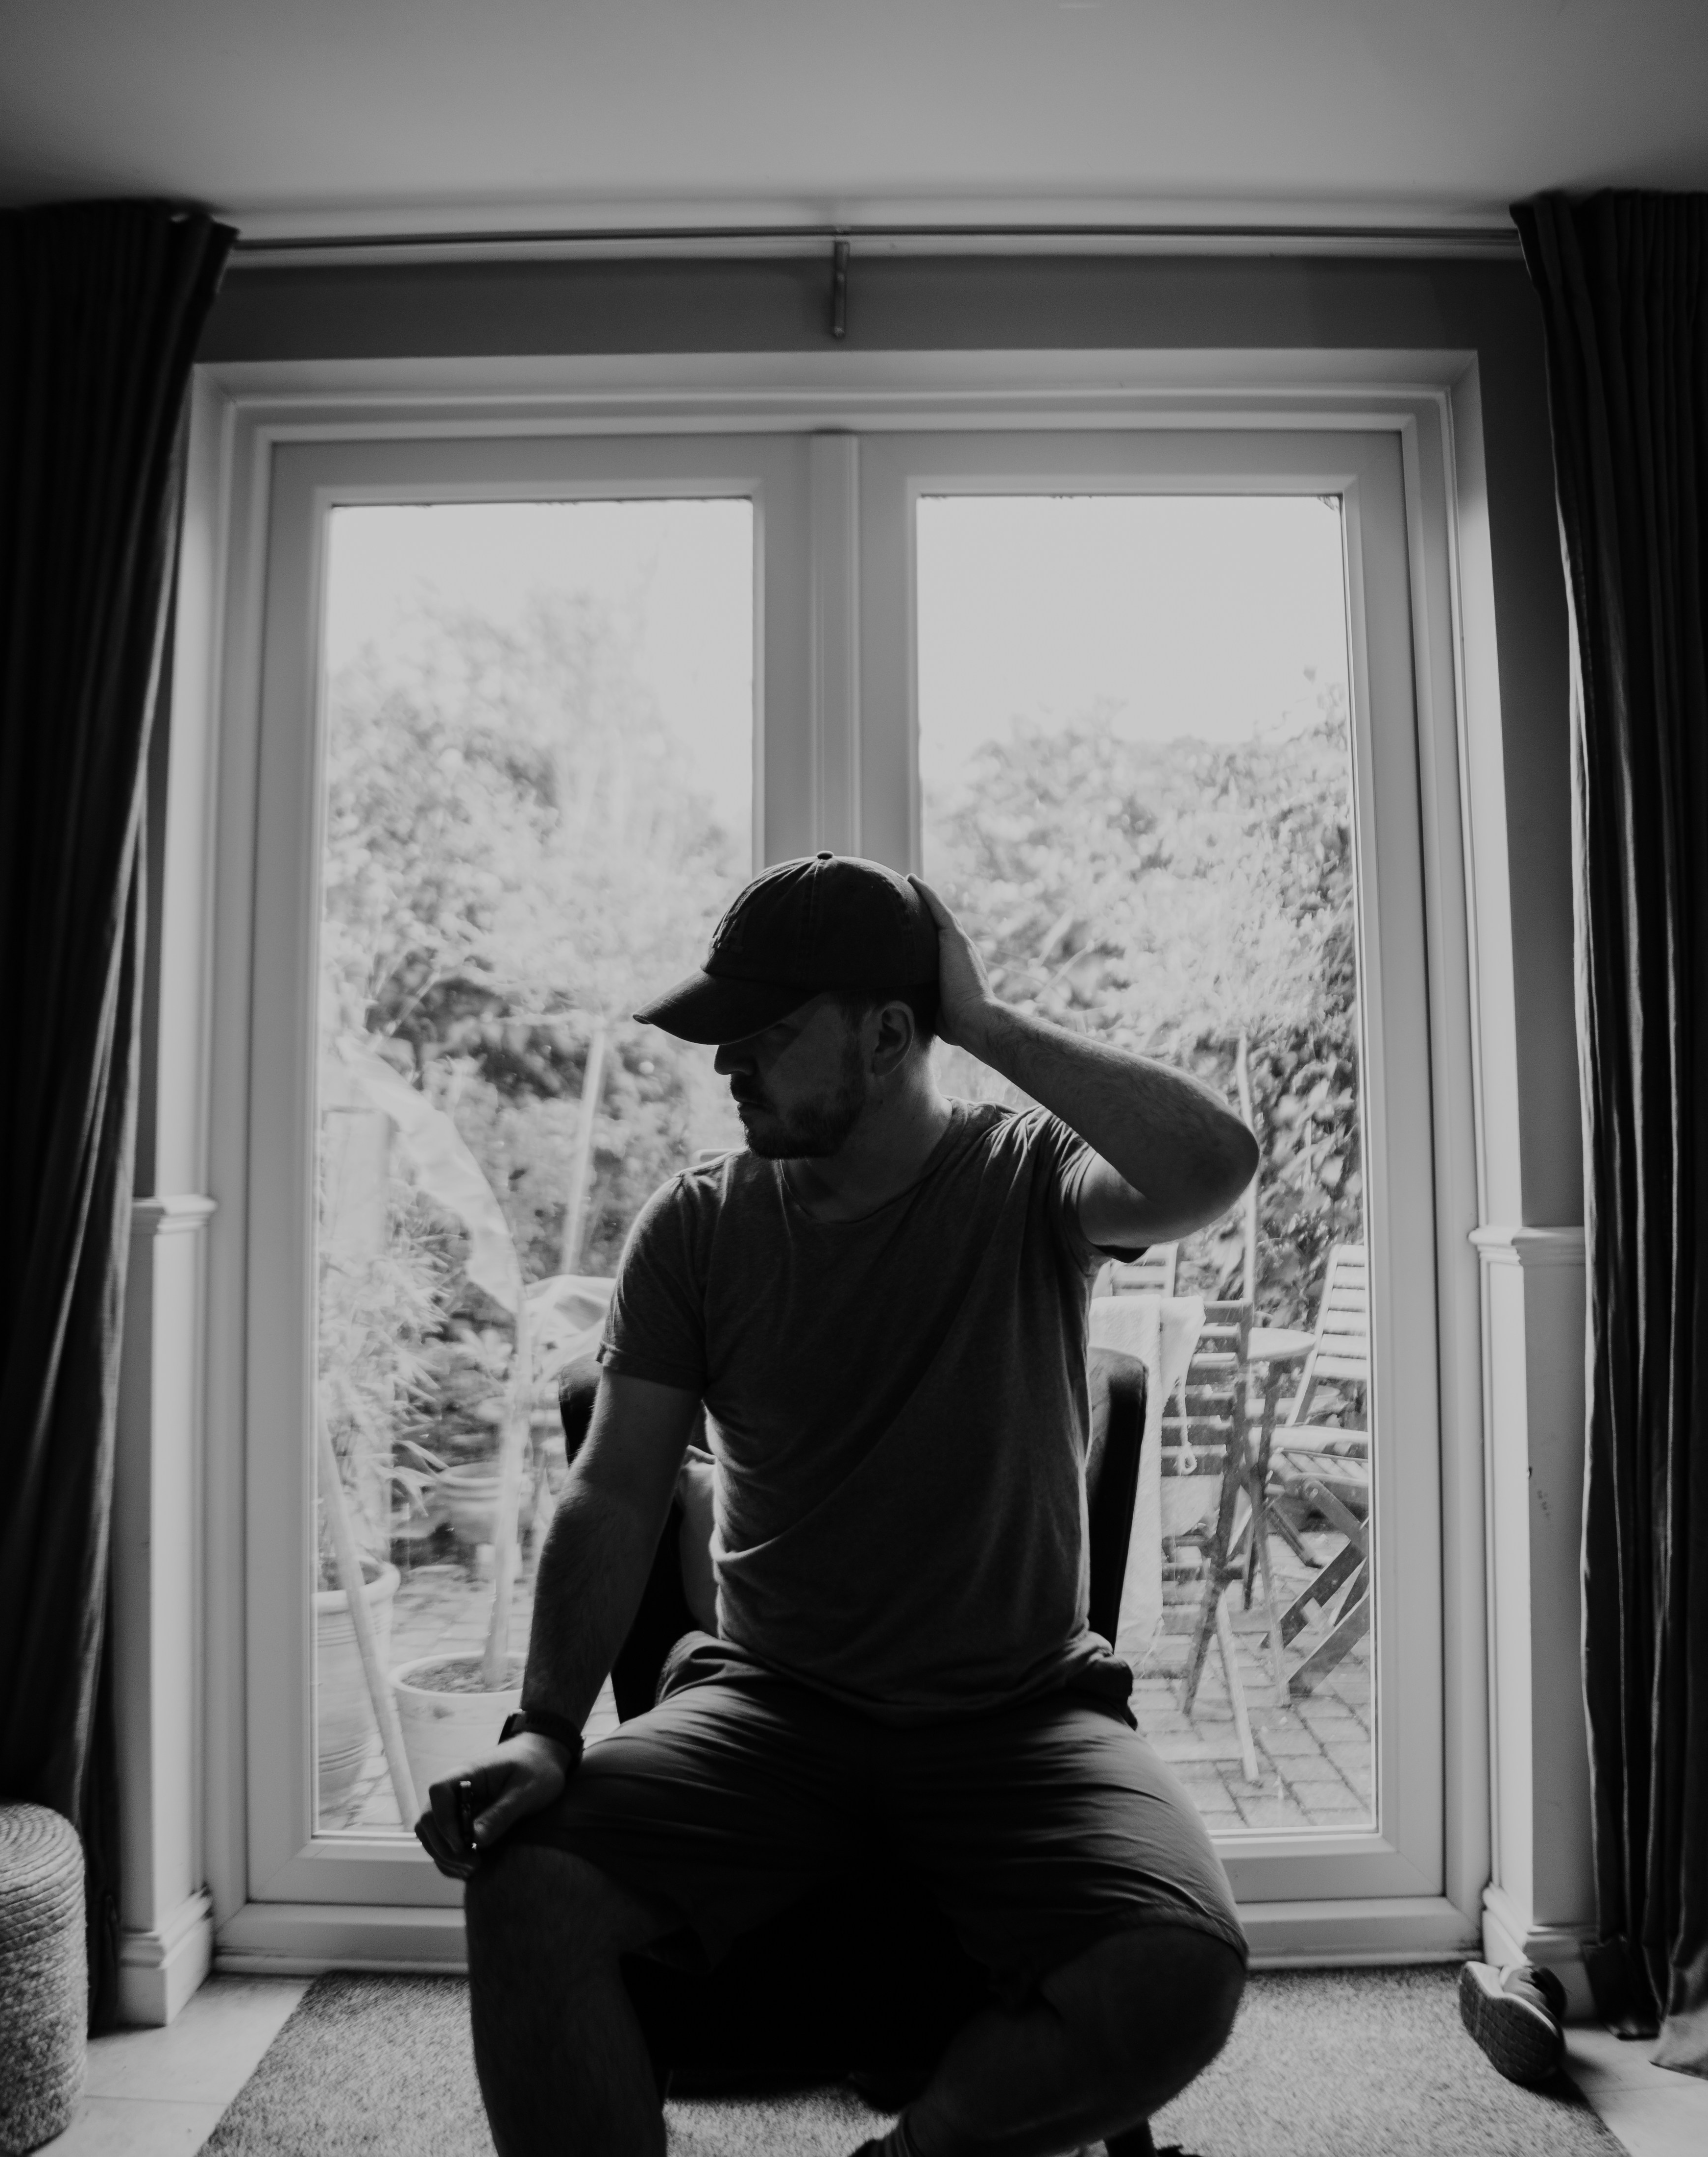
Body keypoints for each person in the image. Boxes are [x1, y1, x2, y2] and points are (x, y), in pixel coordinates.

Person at [416, 852, 1260, 2157]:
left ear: (883, 1037)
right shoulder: (698, 1226)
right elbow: (617, 1488)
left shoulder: (1027, 1183)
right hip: (770, 1709)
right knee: (525, 1888)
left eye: (766, 1034)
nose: (726, 1066)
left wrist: (974, 1018)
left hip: (1016, 1718)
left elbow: (1211, 1165)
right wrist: (542, 1729)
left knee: (1181, 1972)